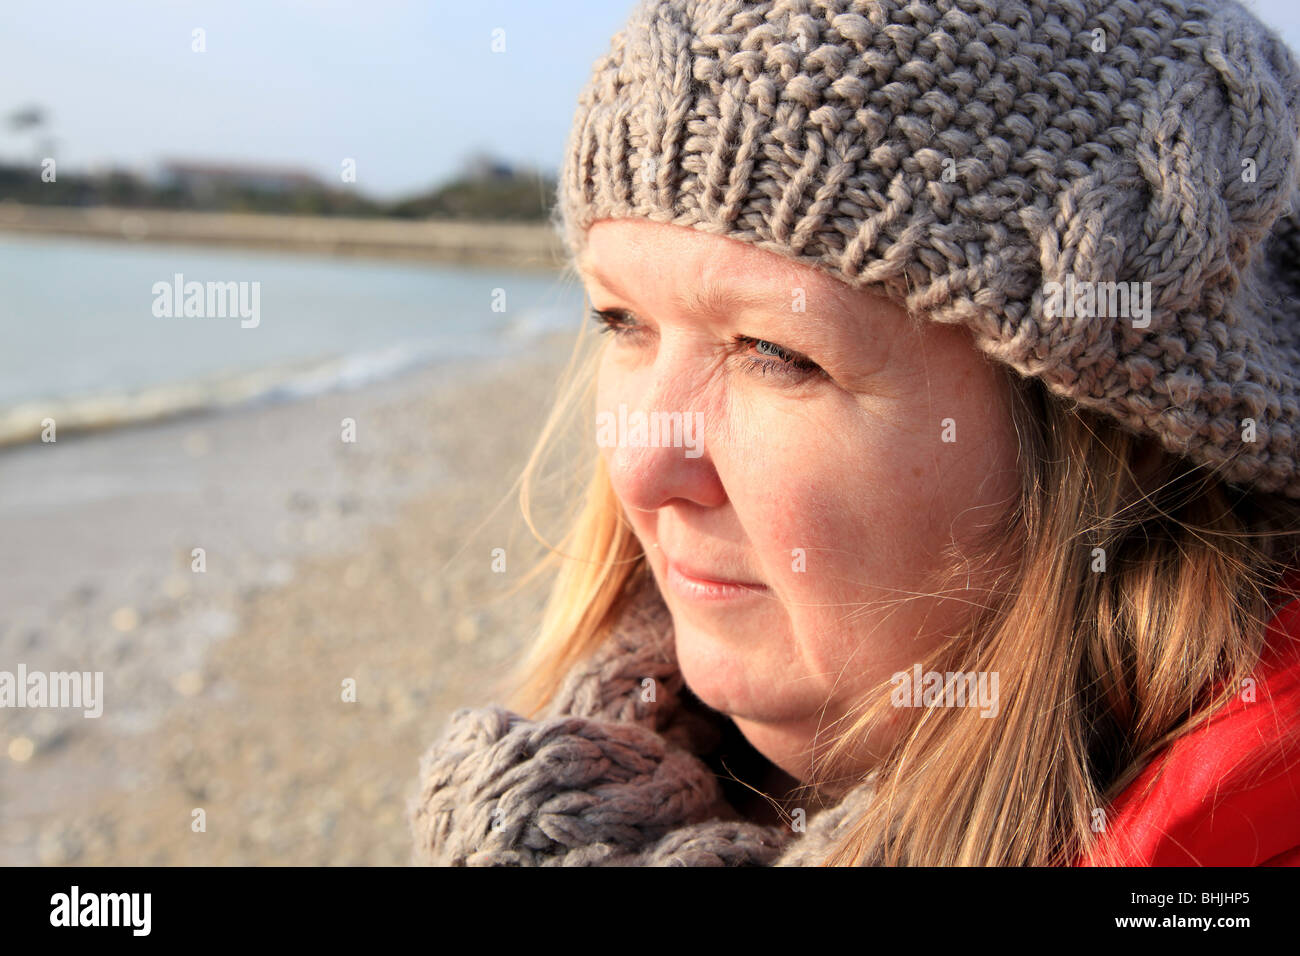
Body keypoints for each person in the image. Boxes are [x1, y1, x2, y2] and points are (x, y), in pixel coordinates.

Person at [409, 0, 1300, 865]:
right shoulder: (585, 779)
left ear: (1120, 441)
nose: (642, 465)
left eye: (776, 352)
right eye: (620, 320)